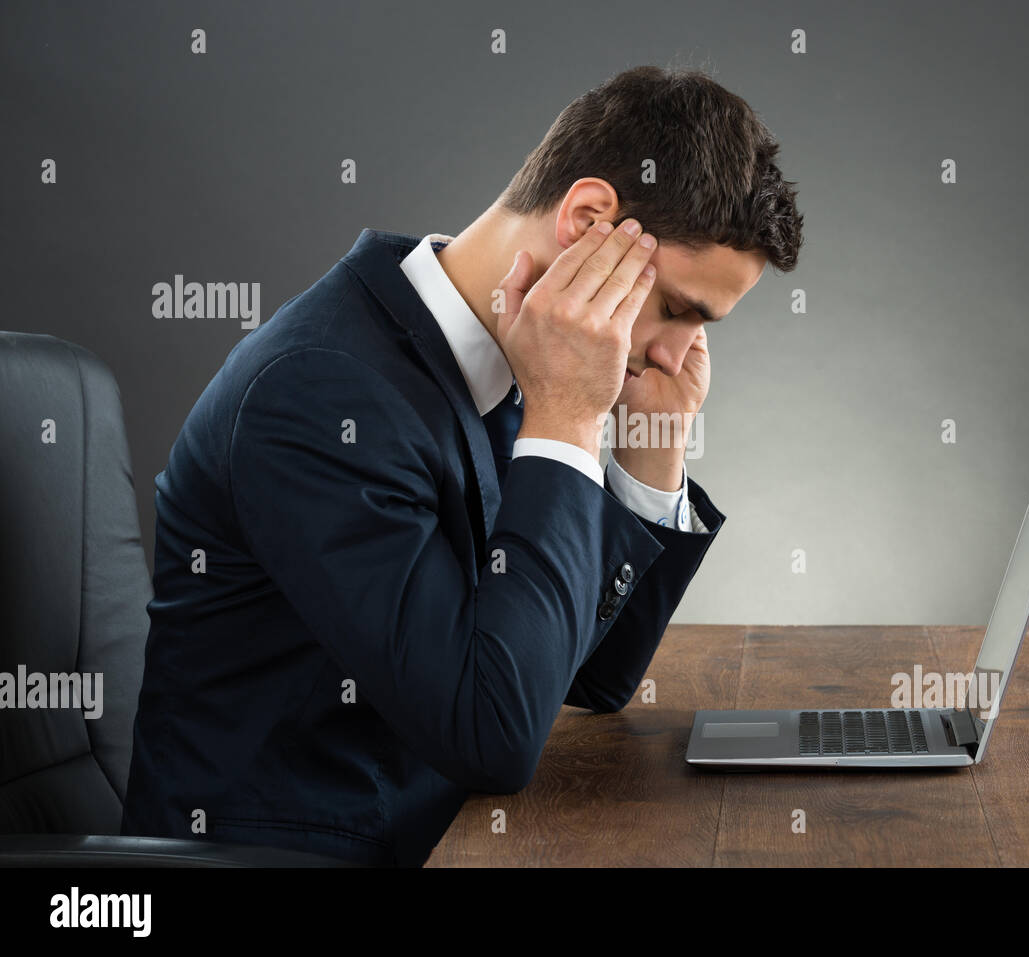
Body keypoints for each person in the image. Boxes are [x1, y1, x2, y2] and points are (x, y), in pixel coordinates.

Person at [120, 64, 804, 866]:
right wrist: (568, 415)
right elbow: (493, 736)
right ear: (587, 221)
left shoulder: (511, 355)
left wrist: (649, 455)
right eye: (682, 311)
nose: (677, 353)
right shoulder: (316, 395)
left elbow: (590, 679)